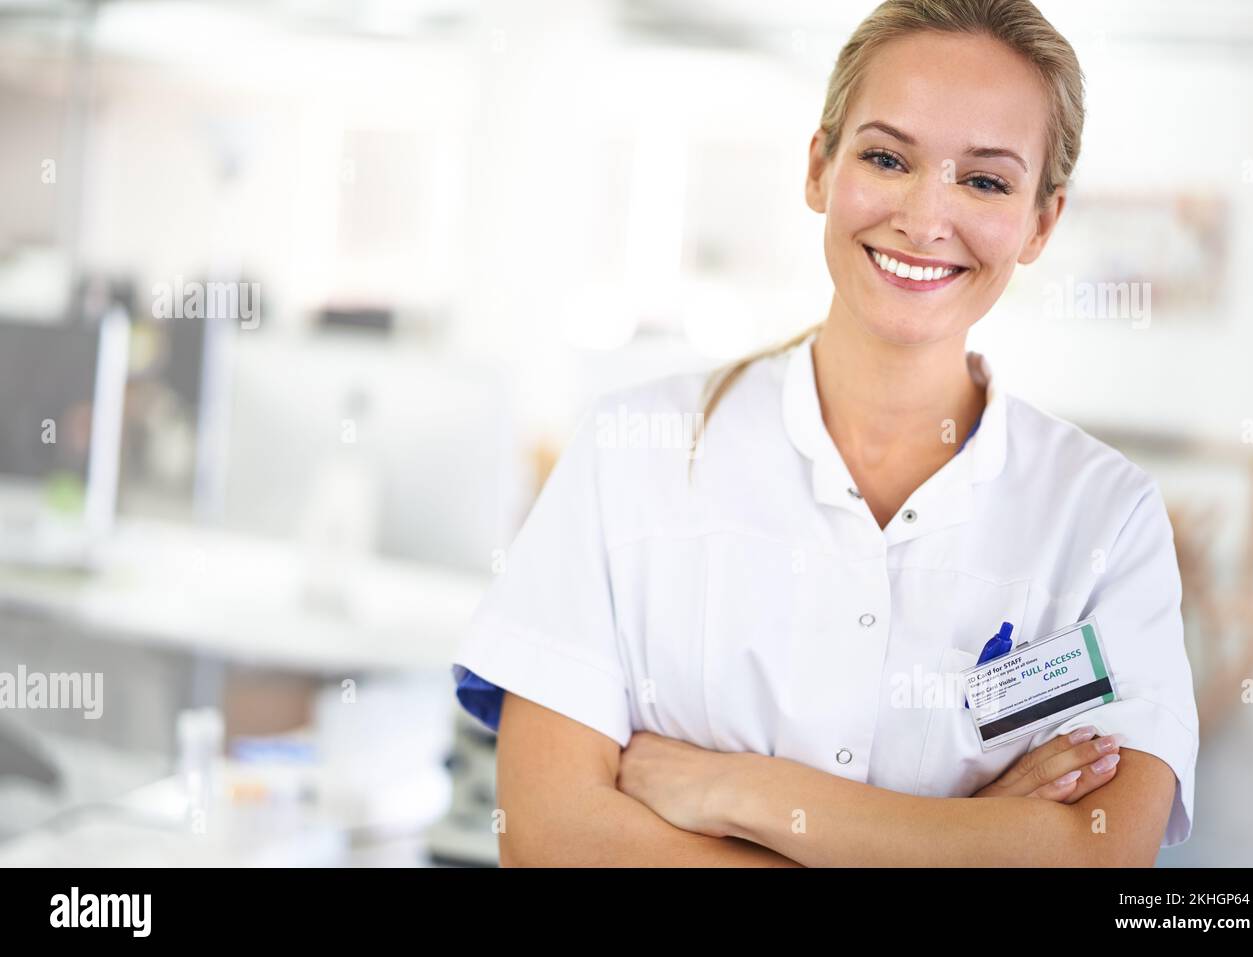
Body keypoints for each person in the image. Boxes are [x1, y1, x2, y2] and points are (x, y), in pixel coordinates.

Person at [451, 0, 1198, 866]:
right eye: (887, 157)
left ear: (1040, 221)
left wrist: (746, 791)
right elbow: (550, 840)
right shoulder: (631, 453)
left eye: (986, 181)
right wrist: (965, 841)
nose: (925, 219)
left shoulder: (1106, 519)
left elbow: (1096, 856)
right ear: (819, 167)